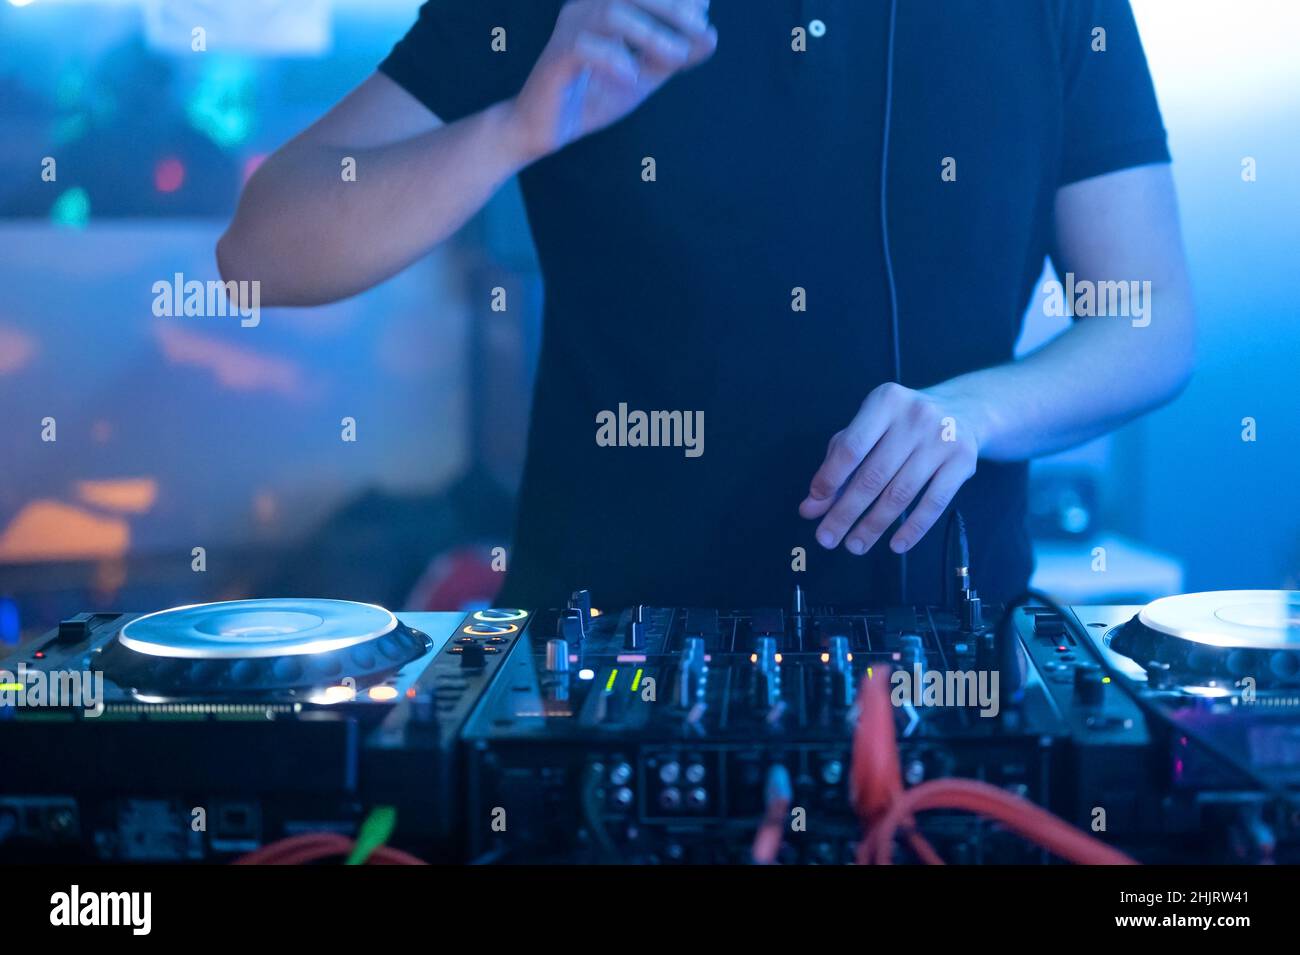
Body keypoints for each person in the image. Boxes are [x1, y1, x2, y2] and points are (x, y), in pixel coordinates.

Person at [217, 0, 1195, 610]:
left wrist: (977, 413)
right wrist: (514, 128)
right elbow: (263, 249)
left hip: (947, 662)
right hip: (599, 667)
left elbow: (1147, 314)